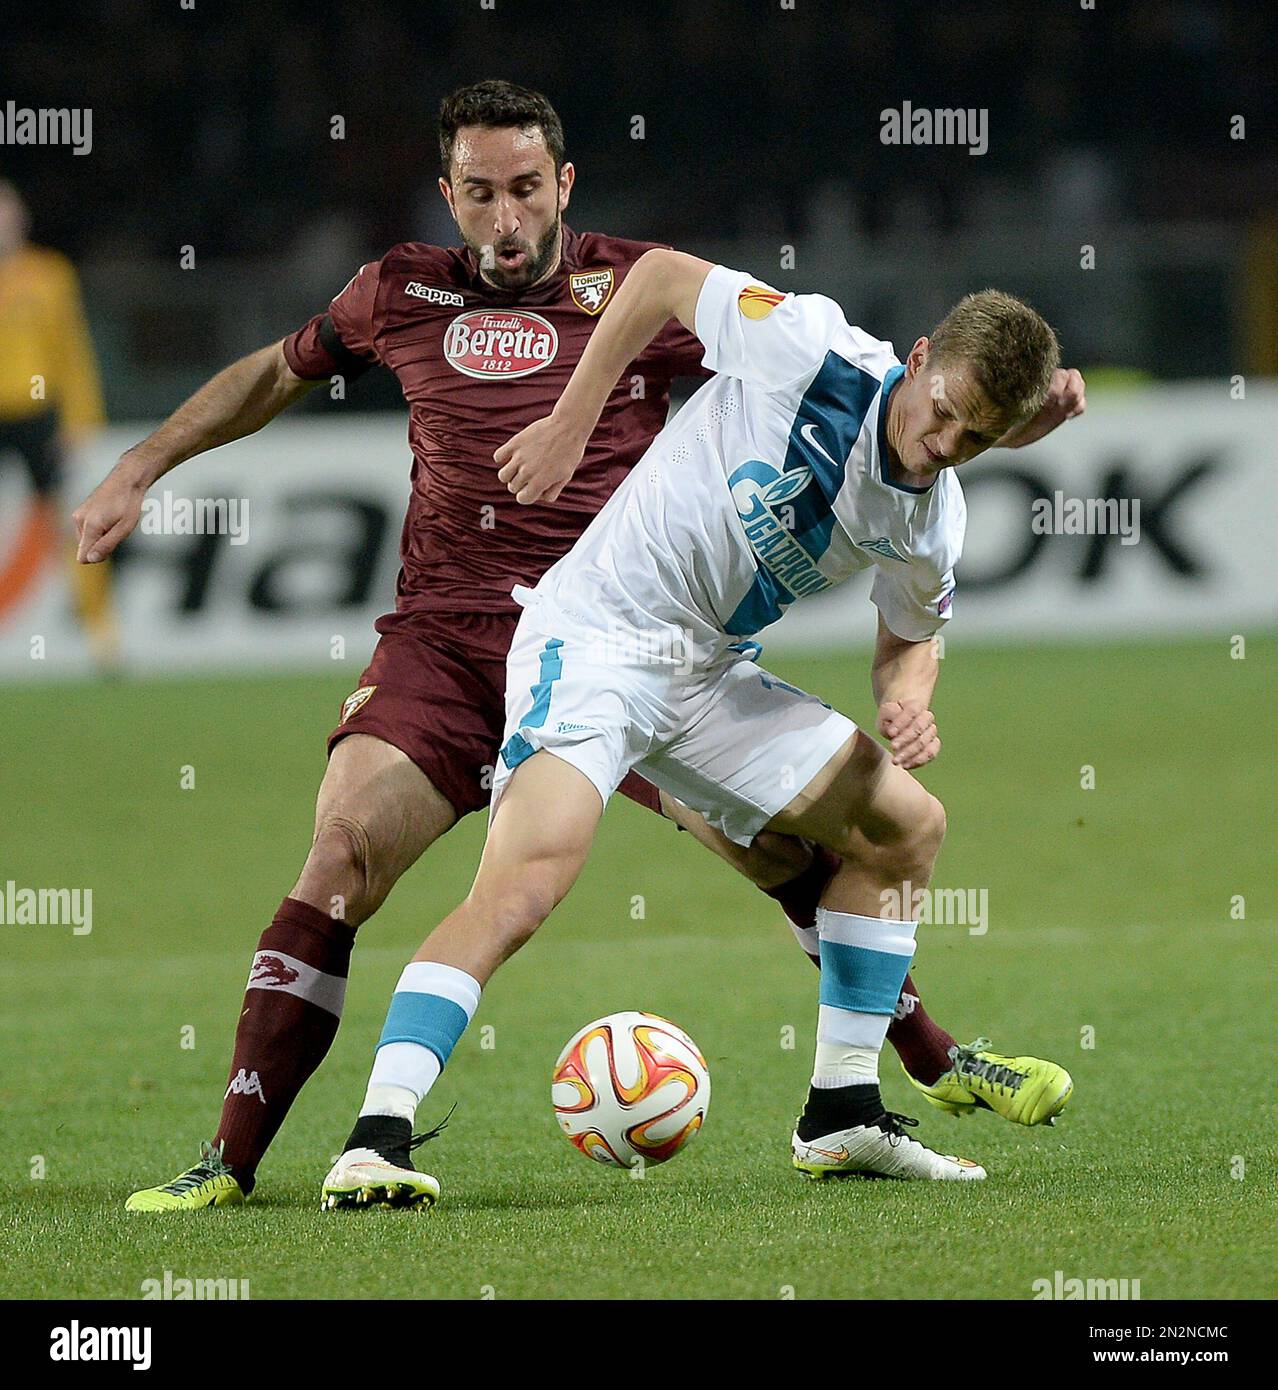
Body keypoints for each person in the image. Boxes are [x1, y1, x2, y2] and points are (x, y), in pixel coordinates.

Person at [75, 81, 1075, 1211]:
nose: (504, 219)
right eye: (479, 192)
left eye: (525, 190)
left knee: (863, 833)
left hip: (691, 663)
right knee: (391, 863)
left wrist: (916, 671)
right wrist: (141, 463)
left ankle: (860, 1103)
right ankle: (291, 1149)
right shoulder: (408, 291)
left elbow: (912, 562)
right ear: (447, 192)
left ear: (565, 186)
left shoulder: (921, 489)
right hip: (515, 641)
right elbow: (275, 372)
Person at [320, 249, 1084, 1205]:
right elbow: (655, 283)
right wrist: (569, 420)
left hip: (708, 675)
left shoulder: (935, 519)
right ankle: (376, 1137)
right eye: (940, 410)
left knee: (906, 826)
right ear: (920, 356)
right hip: (596, 638)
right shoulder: (810, 346)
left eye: (974, 438)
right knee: (526, 884)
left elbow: (910, 637)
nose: (942, 442)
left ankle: (842, 1116)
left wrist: (909, 696)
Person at [0, 179, 117, 669]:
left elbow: (72, 349)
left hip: (38, 414)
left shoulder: (49, 275)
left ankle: (99, 631)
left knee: (70, 519)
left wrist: (80, 417)